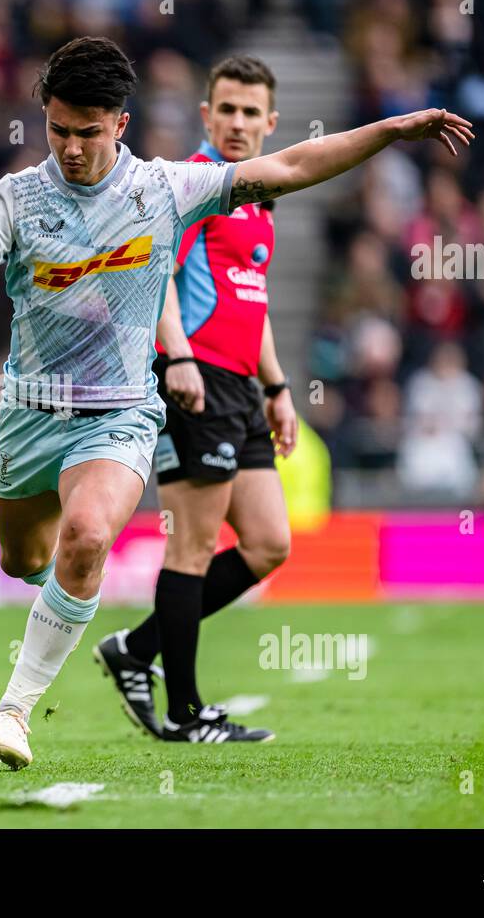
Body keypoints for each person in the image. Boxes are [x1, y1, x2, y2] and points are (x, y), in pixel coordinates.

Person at [0, 36, 472, 770]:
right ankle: (73, 617)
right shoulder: (17, 198)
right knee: (23, 559)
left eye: (88, 131)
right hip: (29, 416)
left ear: (121, 125)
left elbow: (292, 165)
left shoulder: (165, 190)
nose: (71, 148)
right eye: (58, 129)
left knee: (87, 536)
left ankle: (14, 711)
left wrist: (391, 131)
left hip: (120, 414)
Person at [93, 55, 296, 743]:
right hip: (195, 377)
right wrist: (175, 355)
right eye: (227, 110)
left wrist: (278, 387)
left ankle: (136, 649)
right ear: (207, 115)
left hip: (242, 385)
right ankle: (184, 711)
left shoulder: (259, 200)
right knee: (193, 545)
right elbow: (156, 280)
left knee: (268, 543)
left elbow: (254, 301)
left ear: (271, 123)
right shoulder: (188, 188)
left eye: (251, 112)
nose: (238, 123)